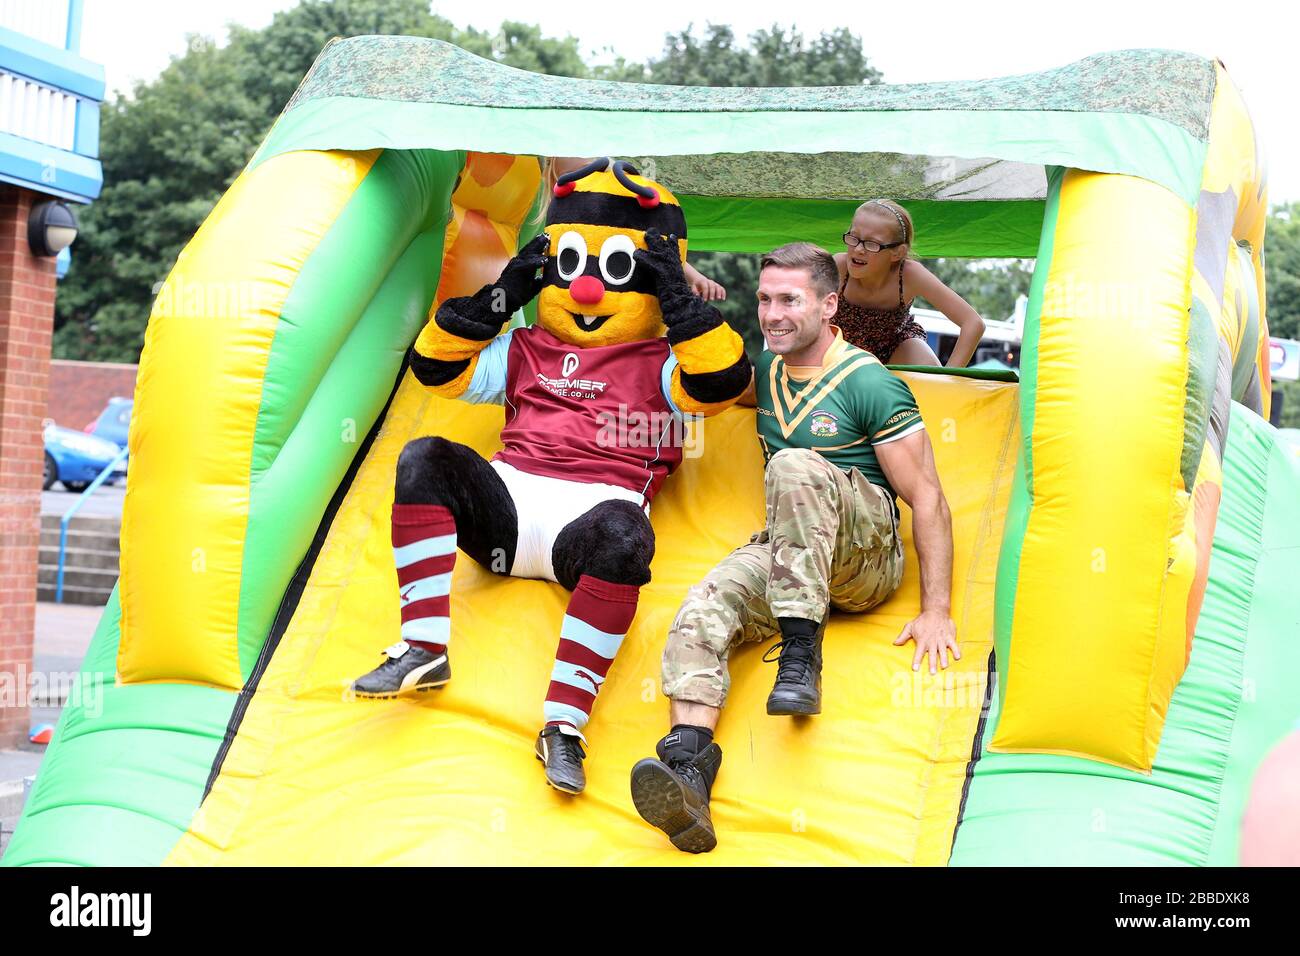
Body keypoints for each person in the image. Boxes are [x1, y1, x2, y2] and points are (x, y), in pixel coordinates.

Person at [350, 159, 751, 796]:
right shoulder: (525, 346)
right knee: (424, 456)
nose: (590, 292)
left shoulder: (663, 362)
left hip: (589, 528)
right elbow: (435, 371)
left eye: (617, 273)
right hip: (506, 504)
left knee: (626, 535)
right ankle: (423, 647)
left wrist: (675, 294)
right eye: (574, 271)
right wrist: (501, 295)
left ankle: (563, 724)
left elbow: (722, 382)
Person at [629, 242, 958, 852]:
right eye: (764, 299)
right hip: (792, 556)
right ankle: (689, 771)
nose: (772, 313)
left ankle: (804, 656)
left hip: (864, 559)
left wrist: (936, 610)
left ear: (830, 305)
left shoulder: (869, 383)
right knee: (704, 607)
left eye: (789, 300)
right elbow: (712, 381)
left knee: (795, 466)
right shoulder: (772, 368)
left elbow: (930, 500)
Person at [835, 199, 985, 367]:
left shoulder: (909, 275)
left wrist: (949, 377)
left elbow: (973, 323)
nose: (858, 249)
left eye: (872, 244)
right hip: (842, 348)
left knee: (916, 350)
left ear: (897, 253)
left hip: (894, 349)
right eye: (854, 237)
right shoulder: (838, 268)